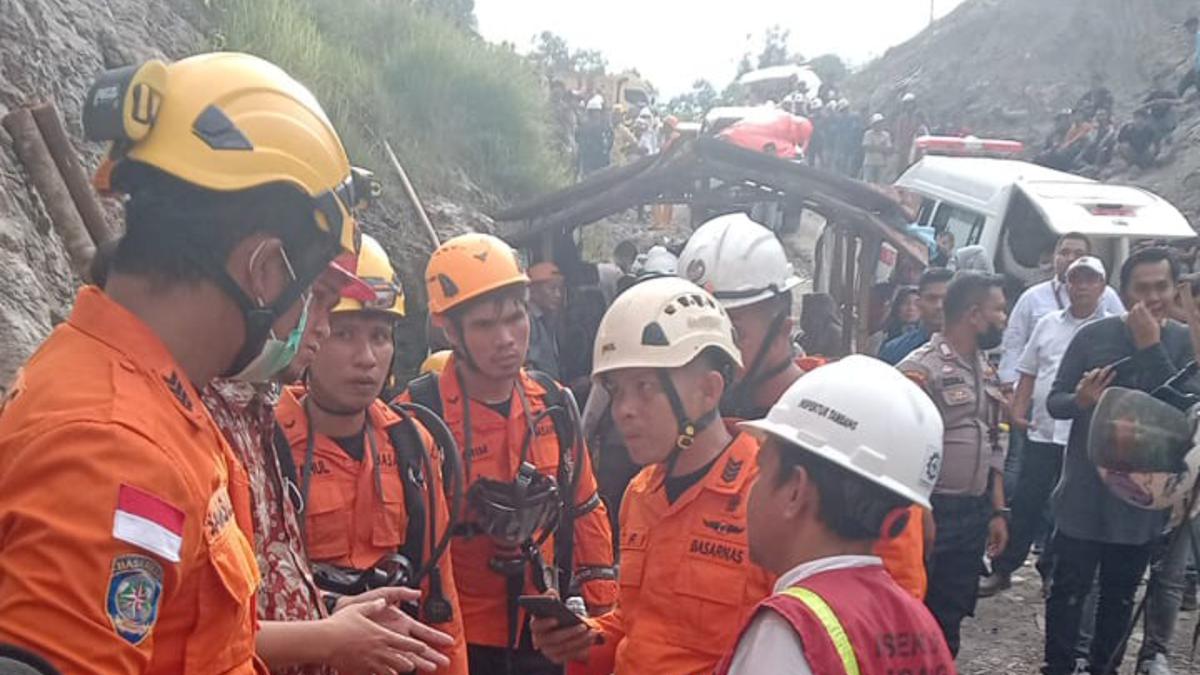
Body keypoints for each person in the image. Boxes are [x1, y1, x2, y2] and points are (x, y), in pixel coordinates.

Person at [0, 52, 363, 673]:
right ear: (265, 270)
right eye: (307, 292)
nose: (311, 321)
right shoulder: (113, 447)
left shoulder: (162, 403)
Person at [529, 277, 775, 674]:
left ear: (708, 391)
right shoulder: (641, 494)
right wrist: (586, 638)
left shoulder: (766, 496)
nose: (623, 409)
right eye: (617, 390)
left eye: (644, 387)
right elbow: (636, 627)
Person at [398, 233, 617, 675]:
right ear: (450, 329)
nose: (506, 339)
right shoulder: (416, 417)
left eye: (515, 317)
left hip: (543, 635)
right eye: (484, 325)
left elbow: (585, 510)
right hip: (455, 639)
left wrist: (598, 621)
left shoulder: (553, 405)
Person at [678, 216, 931, 598]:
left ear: (784, 326)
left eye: (733, 332)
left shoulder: (850, 426)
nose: (711, 352)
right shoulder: (694, 423)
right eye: (696, 334)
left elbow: (893, 590)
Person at [273, 235, 468, 673]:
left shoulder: (412, 444)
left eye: (380, 336)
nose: (366, 358)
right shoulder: (268, 441)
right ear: (313, 327)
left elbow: (442, 596)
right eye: (344, 334)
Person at [714, 355, 956, 674]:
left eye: (760, 470)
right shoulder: (919, 623)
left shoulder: (788, 632)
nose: (750, 490)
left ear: (795, 491)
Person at [1040, 247, 1194, 675]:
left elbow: (1183, 410)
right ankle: (1057, 666)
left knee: (1120, 595)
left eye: (1161, 286)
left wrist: (1151, 346)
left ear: (1174, 289)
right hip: (1084, 495)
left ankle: (1104, 668)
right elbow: (1055, 401)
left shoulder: (1184, 343)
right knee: (1068, 590)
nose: (1152, 296)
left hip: (1141, 502)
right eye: (1141, 288)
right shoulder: (1093, 336)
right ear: (1123, 292)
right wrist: (1080, 399)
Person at [979, 256, 1115, 598]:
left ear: (1102, 285)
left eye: (1089, 279)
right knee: (1027, 501)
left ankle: (1053, 570)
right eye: (1075, 279)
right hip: (1043, 429)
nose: (1081, 286)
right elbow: (1029, 370)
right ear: (1066, 284)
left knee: (1069, 508)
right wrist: (1019, 409)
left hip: (1085, 435)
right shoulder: (1049, 323)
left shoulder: (1114, 328)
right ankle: (1004, 568)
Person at [899, 272, 1009, 657]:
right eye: (998, 309)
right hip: (931, 513)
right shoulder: (921, 369)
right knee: (913, 614)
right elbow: (902, 448)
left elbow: (996, 439)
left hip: (972, 513)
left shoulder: (986, 368)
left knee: (952, 614)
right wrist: (919, 509)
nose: (1004, 317)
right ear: (974, 314)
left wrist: (998, 509)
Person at [999, 233, 1125, 388]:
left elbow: (1123, 340)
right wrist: (1009, 385)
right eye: (1064, 253)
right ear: (1054, 257)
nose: (1071, 258)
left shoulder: (1108, 296)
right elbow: (1013, 344)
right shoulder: (1032, 297)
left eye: (1079, 254)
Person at [879, 267, 955, 365]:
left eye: (946, 299)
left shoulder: (975, 348)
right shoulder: (894, 351)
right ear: (919, 303)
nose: (939, 306)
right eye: (931, 298)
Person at [526, 262, 564, 380]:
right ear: (533, 291)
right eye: (552, 288)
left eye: (560, 289)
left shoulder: (550, 318)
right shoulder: (527, 321)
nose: (558, 295)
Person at [891, 92, 929, 177]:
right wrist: (898, 146)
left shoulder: (919, 117)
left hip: (915, 148)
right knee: (901, 170)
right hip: (903, 149)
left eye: (910, 103)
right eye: (907, 104)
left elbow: (924, 131)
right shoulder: (901, 119)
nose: (909, 106)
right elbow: (898, 134)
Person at [576, 95, 614, 177]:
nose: (596, 114)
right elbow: (581, 143)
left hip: (602, 161)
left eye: (597, 111)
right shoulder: (585, 127)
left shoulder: (604, 126)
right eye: (594, 111)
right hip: (591, 163)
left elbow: (610, 141)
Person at [860, 113, 893, 184]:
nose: (878, 125)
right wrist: (881, 148)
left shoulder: (886, 135)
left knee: (880, 184)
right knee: (868, 184)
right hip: (869, 162)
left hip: (882, 163)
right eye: (877, 123)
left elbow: (888, 150)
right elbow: (867, 147)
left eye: (880, 123)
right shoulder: (868, 134)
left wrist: (875, 147)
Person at [1179, 17, 1200, 98]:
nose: (1188, 30)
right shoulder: (1197, 37)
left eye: (1189, 27)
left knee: (1182, 86)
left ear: (1195, 25)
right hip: (1197, 68)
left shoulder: (1199, 36)